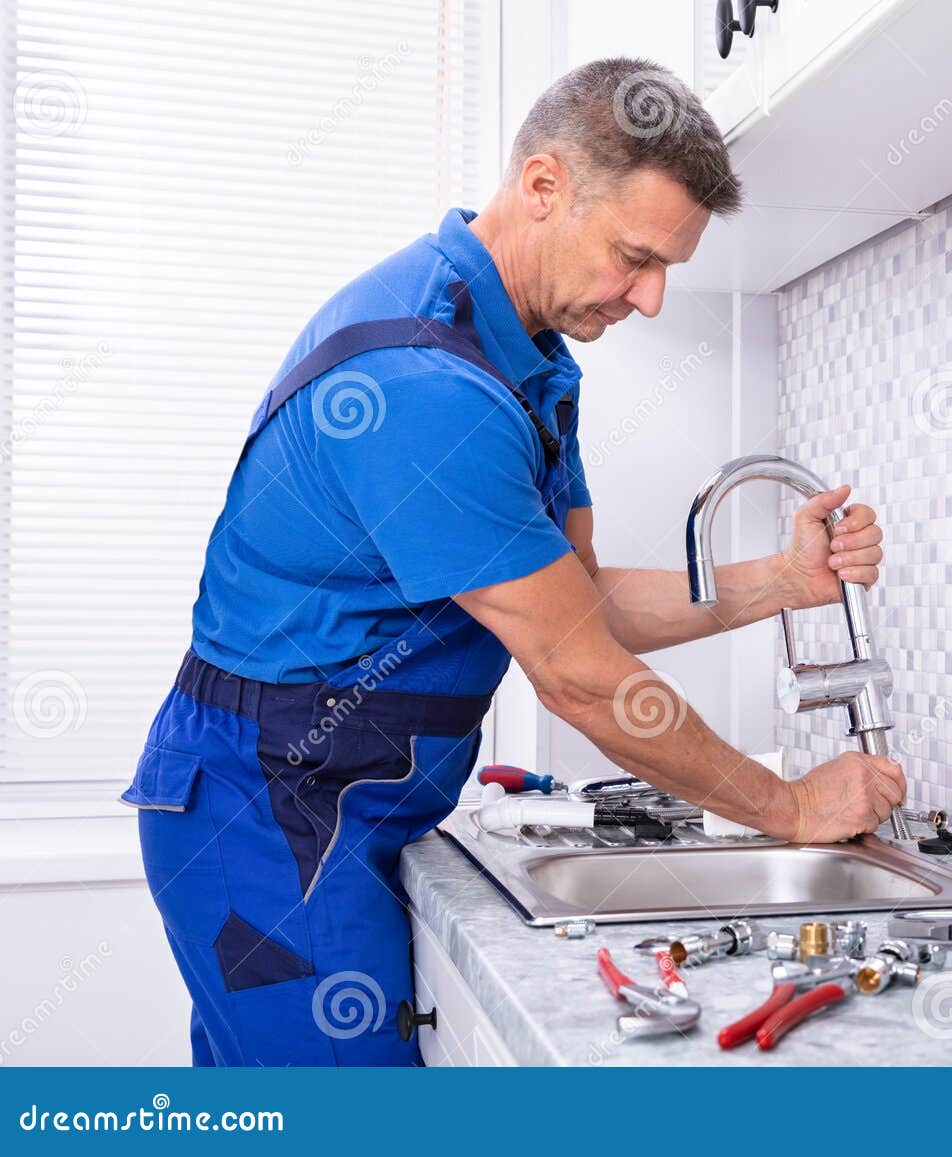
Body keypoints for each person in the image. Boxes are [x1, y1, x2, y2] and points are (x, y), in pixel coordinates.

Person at [122, 59, 904, 1066]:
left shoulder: (525, 352)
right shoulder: (424, 384)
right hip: (270, 819)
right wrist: (789, 804)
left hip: (337, 807)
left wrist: (781, 583)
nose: (654, 298)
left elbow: (575, 603)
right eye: (635, 256)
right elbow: (579, 672)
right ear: (543, 187)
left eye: (667, 264)